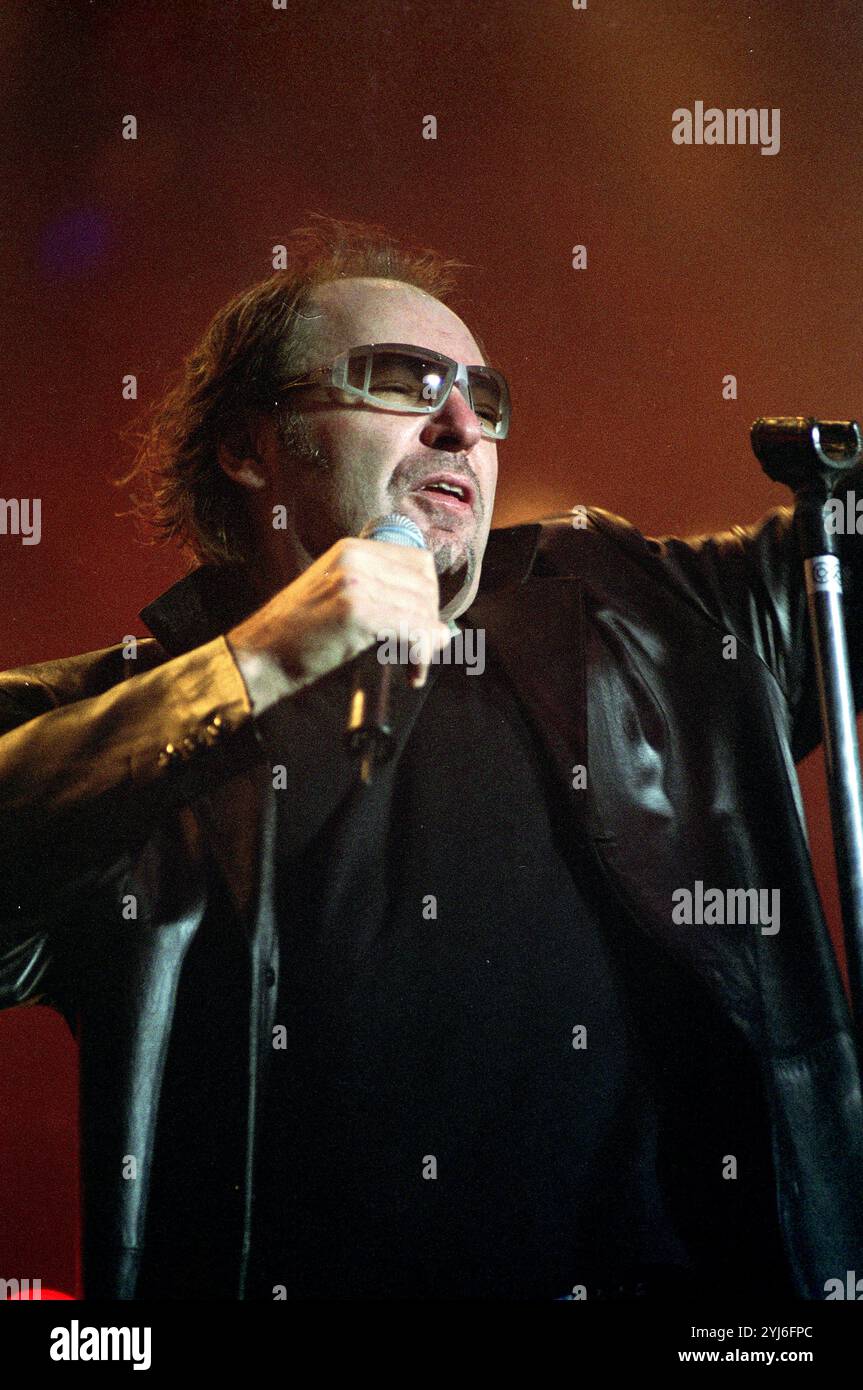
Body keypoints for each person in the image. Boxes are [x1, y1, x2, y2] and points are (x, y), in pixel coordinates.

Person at [2, 216, 862, 1301]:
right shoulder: (104, 717)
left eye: (482, 397)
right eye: (402, 380)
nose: (460, 422)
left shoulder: (661, 625)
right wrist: (260, 662)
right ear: (247, 443)